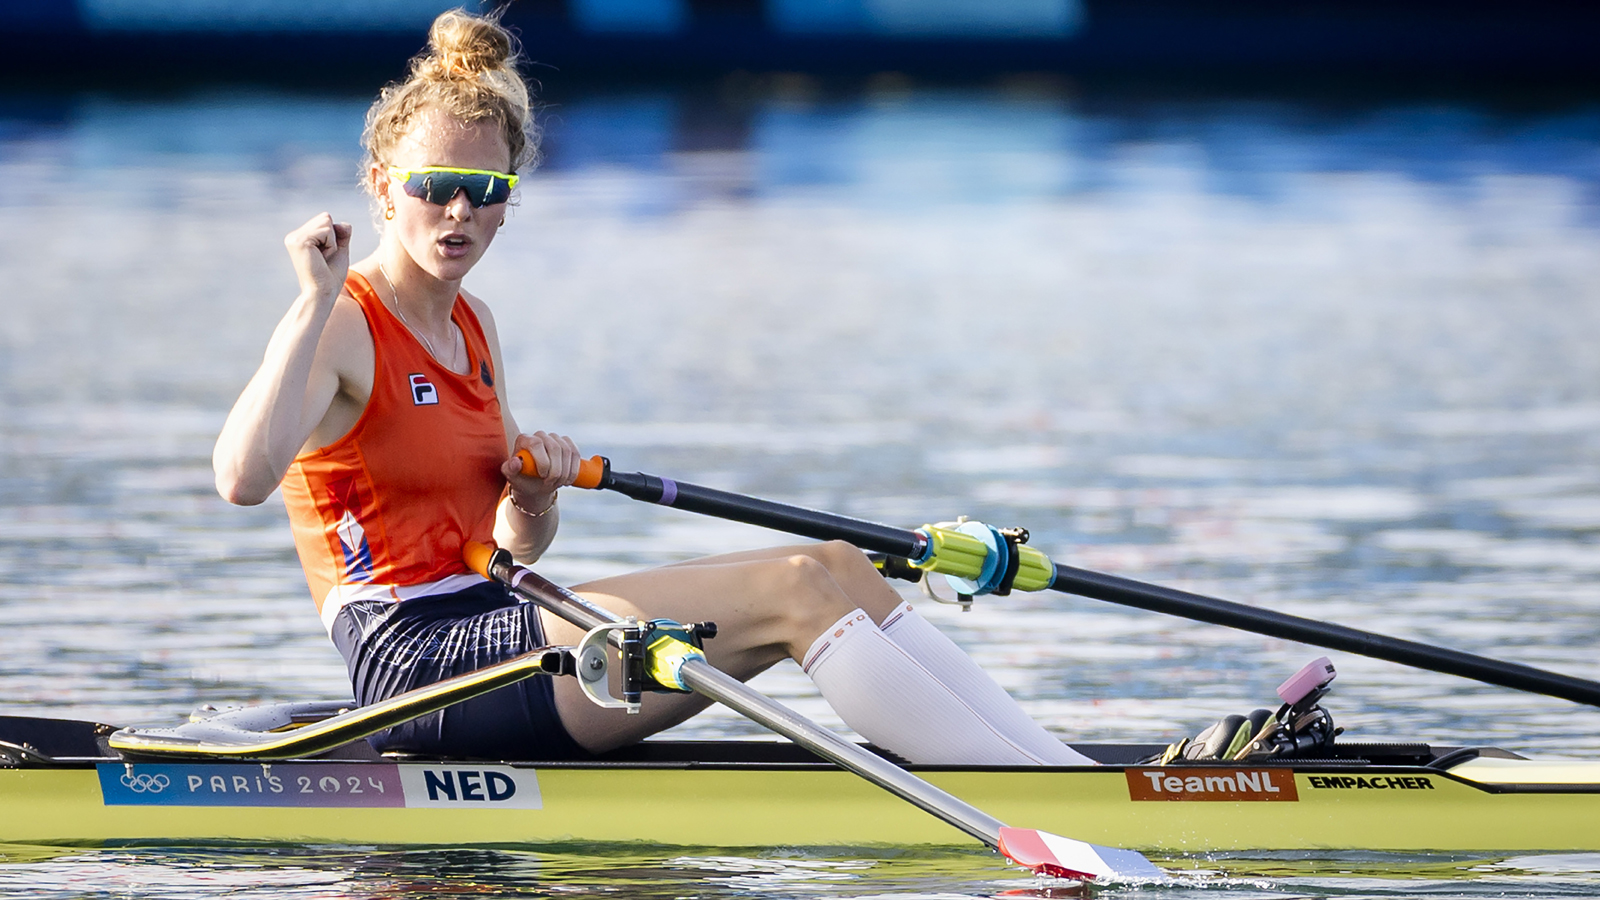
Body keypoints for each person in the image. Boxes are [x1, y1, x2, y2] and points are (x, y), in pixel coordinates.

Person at [213, 8, 1092, 767]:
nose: (459, 213)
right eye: (435, 187)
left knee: (837, 565)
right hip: (415, 668)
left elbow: (516, 543)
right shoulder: (342, 321)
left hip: (499, 617)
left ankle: (1055, 769)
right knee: (793, 587)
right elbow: (241, 480)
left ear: (510, 194)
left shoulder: (474, 325)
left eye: (485, 190)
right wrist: (312, 297)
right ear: (382, 186)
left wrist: (532, 495)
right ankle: (1037, 791)